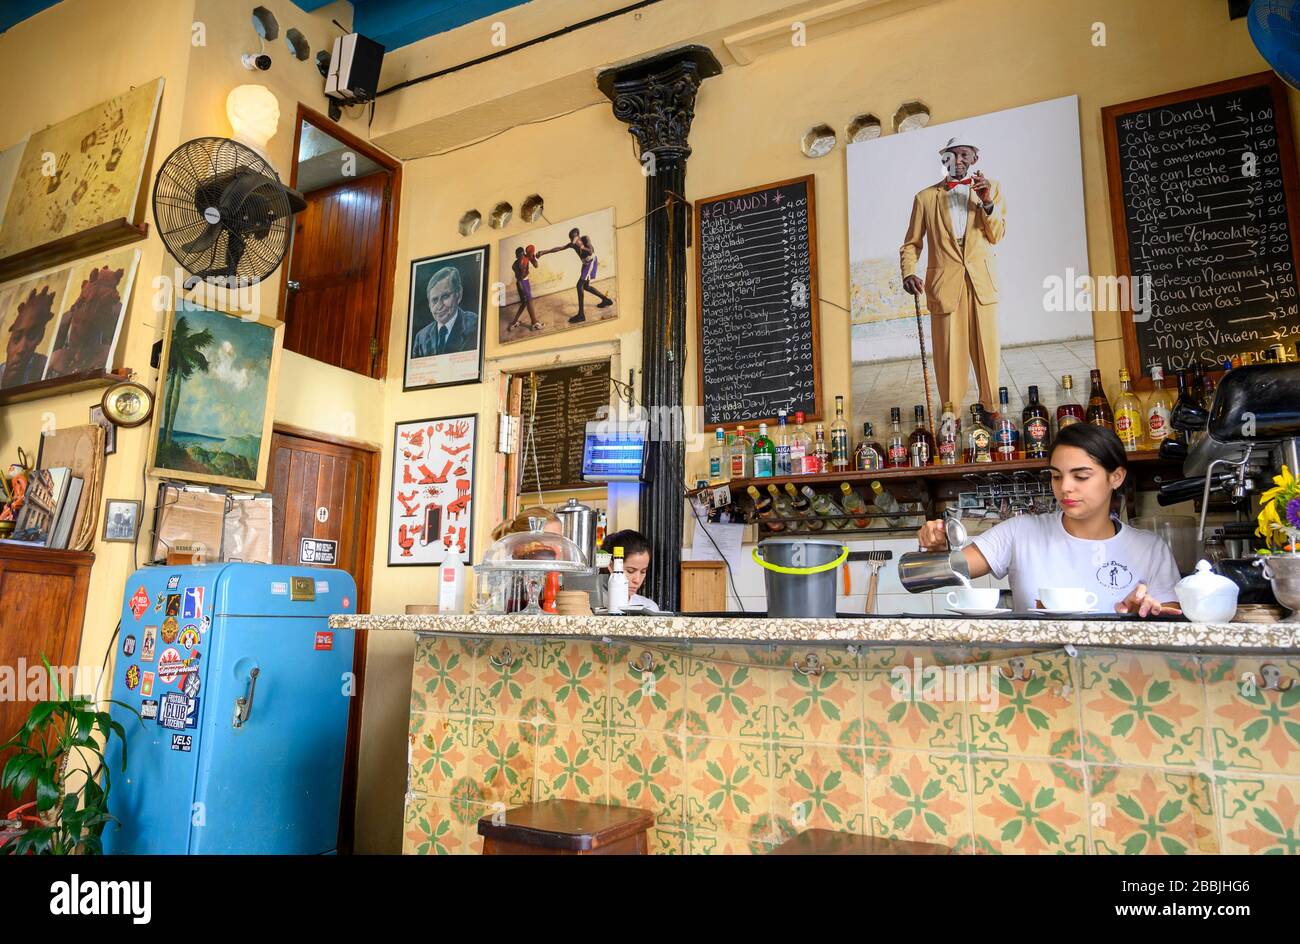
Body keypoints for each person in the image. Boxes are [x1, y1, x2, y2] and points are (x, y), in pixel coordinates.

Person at [915, 424, 1181, 616]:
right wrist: (938, 552)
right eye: (1056, 476)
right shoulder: (1021, 532)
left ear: (1116, 477)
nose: (1065, 487)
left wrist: (1143, 614)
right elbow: (942, 572)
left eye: (1081, 476)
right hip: (1034, 676)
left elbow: (1173, 621)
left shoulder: (1150, 548)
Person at [900, 136, 1005, 410]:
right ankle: (951, 416)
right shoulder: (924, 198)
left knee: (987, 352)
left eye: (964, 155)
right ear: (943, 160)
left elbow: (996, 235)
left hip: (982, 284)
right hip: (944, 286)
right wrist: (909, 272)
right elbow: (911, 243)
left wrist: (987, 204)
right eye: (952, 155)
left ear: (974, 159)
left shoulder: (991, 189)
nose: (958, 160)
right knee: (949, 357)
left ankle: (993, 412)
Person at [538, 228, 613, 324]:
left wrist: (582, 247)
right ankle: (606, 300)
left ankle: (581, 315)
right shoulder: (572, 244)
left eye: (574, 237)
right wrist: (544, 252)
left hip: (591, 261)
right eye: (571, 238)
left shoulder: (585, 239)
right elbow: (559, 248)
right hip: (585, 263)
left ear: (578, 235)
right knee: (586, 286)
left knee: (579, 285)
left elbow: (590, 251)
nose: (573, 240)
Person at [412, 266, 479, 357]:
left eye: (445, 296)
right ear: (429, 304)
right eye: (434, 300)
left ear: (458, 294)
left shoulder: (475, 324)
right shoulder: (421, 337)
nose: (439, 306)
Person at [0, 286, 57, 388]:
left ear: (40, 337)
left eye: (31, 337)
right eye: (16, 338)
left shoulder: (45, 368)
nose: (21, 349)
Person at [601, 528, 659, 611]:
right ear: (611, 566)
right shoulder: (590, 605)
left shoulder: (649, 607)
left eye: (643, 571)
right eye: (630, 571)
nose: (637, 580)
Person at [507, 246, 543, 333]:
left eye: (522, 255)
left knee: (524, 303)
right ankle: (534, 323)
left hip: (524, 282)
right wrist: (525, 266)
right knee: (529, 300)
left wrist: (533, 258)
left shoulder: (524, 259)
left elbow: (536, 265)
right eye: (519, 256)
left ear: (524, 254)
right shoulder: (518, 264)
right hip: (522, 283)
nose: (521, 257)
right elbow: (521, 276)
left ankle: (514, 322)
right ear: (517, 257)